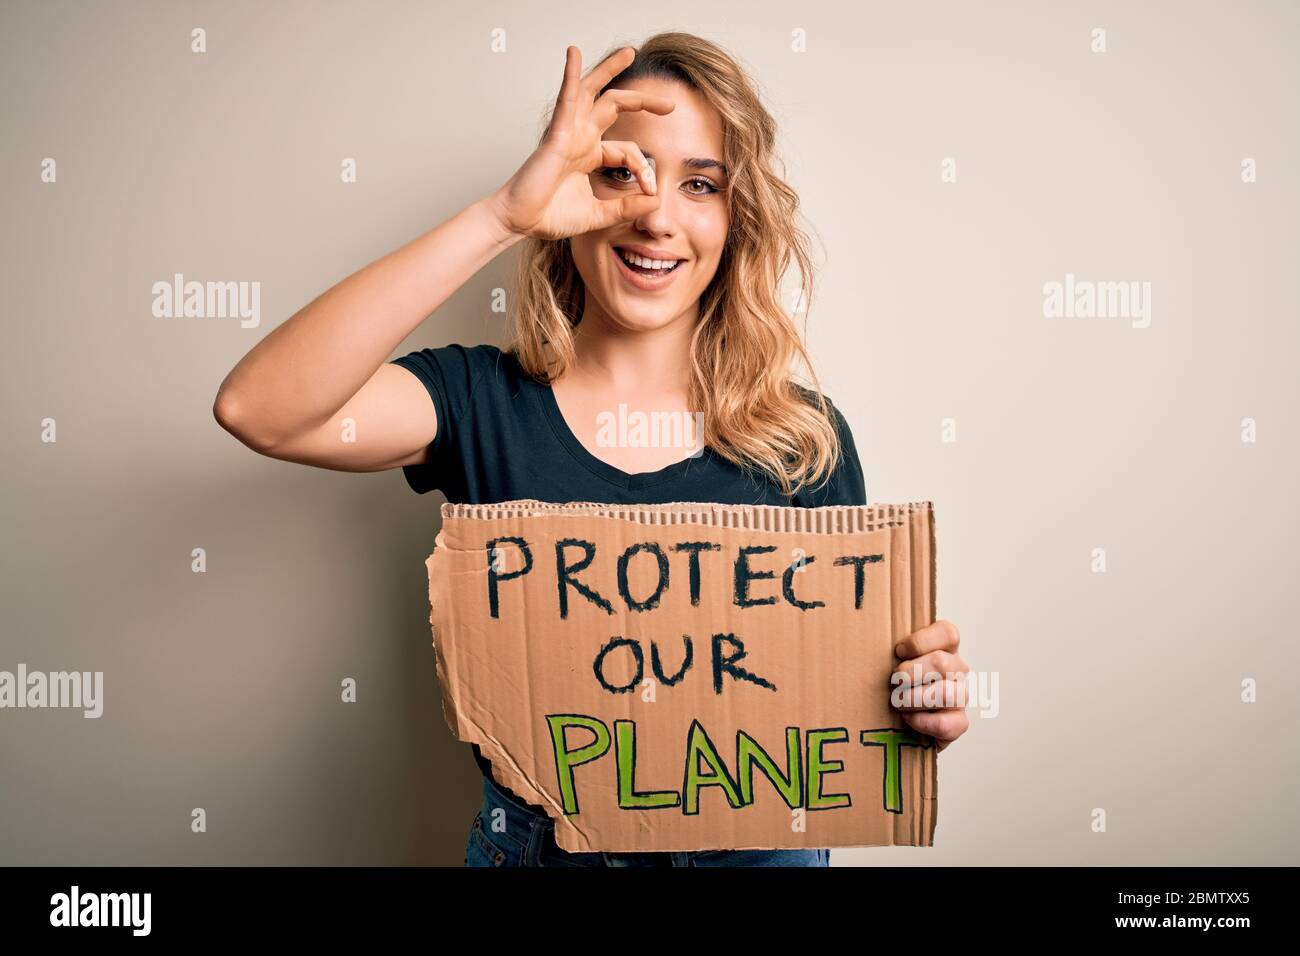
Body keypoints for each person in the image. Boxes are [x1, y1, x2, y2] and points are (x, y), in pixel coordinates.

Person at [213, 33, 970, 867]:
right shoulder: (479, 402)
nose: (655, 214)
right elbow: (260, 409)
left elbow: (844, 714)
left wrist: (913, 703)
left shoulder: (805, 441)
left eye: (700, 183)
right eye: (622, 173)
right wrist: (502, 215)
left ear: (735, 218)